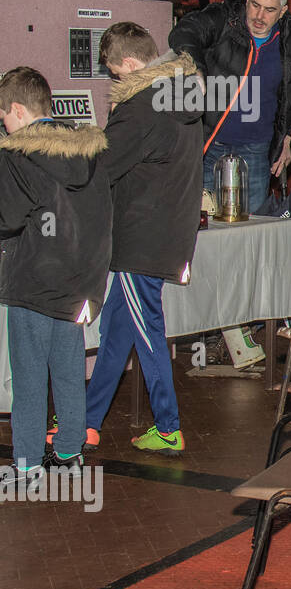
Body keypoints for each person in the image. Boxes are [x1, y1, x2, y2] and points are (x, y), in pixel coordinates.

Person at [82, 23, 204, 457]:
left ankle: (168, 426)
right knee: (118, 330)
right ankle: (88, 422)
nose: (116, 81)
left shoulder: (141, 106)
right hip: (168, 229)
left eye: (116, 74)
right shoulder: (182, 93)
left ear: (132, 65)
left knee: (148, 331)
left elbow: (100, 168)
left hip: (140, 238)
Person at [0, 67, 111, 489]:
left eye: (4, 118)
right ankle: (68, 448)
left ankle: (27, 462)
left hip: (31, 278)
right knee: (68, 369)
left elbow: (7, 218)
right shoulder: (89, 150)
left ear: (17, 110)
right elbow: (103, 218)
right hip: (78, 279)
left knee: (28, 375)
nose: (4, 127)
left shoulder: (17, 155)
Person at [168, 0, 291, 214]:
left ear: (283, 11)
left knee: (253, 225)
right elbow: (185, 32)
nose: (259, 16)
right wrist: (195, 68)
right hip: (209, 144)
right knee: (202, 222)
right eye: (255, 5)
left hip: (256, 150)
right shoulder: (222, 19)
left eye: (269, 10)